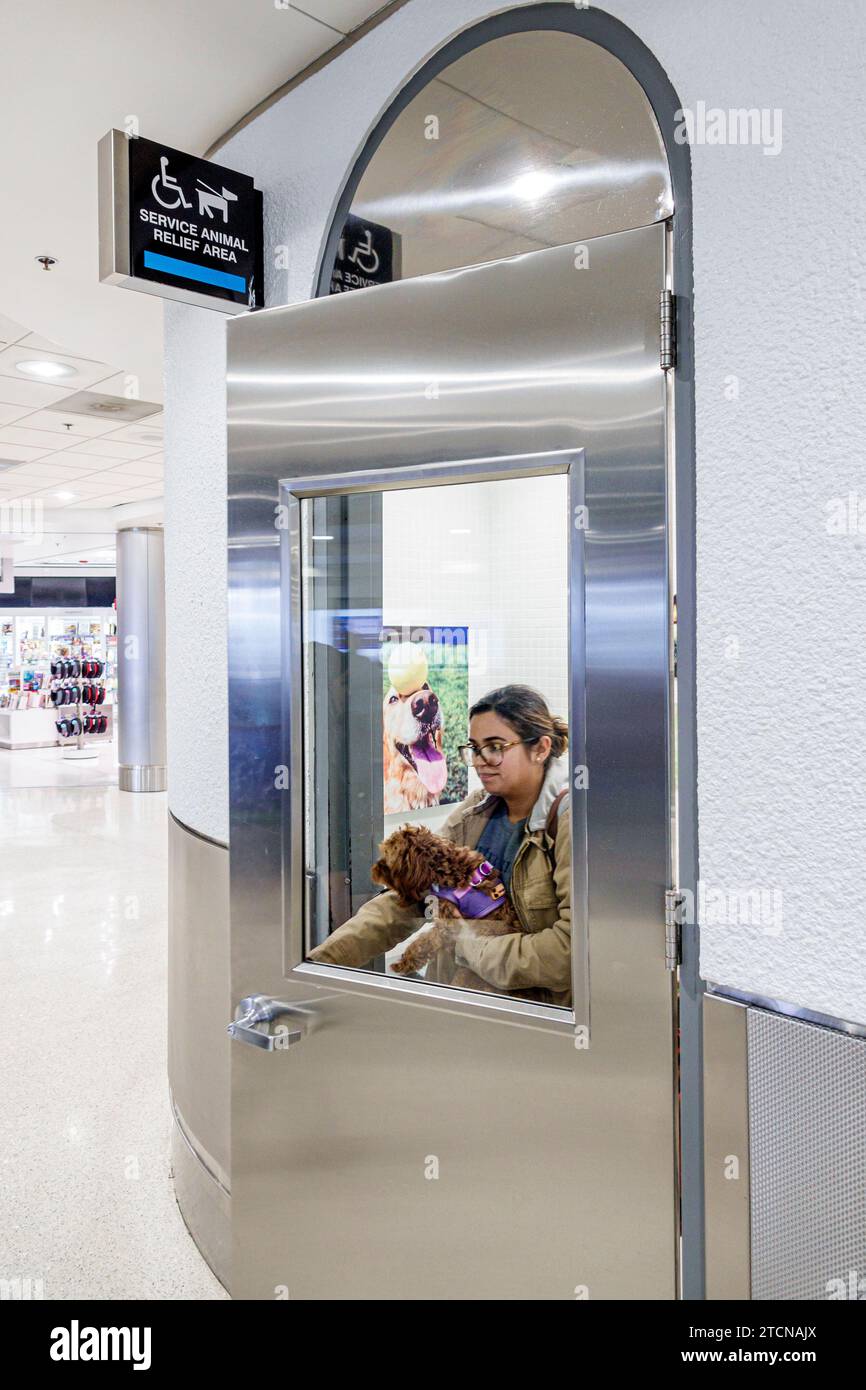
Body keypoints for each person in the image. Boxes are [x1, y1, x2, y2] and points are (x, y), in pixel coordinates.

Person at [308, 684, 572, 1006]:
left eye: (495, 747)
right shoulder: (474, 814)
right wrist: (320, 964)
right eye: (474, 748)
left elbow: (568, 951)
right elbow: (404, 899)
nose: (479, 761)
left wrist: (467, 944)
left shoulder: (569, 825)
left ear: (541, 749)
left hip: (528, 1021)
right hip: (454, 1005)